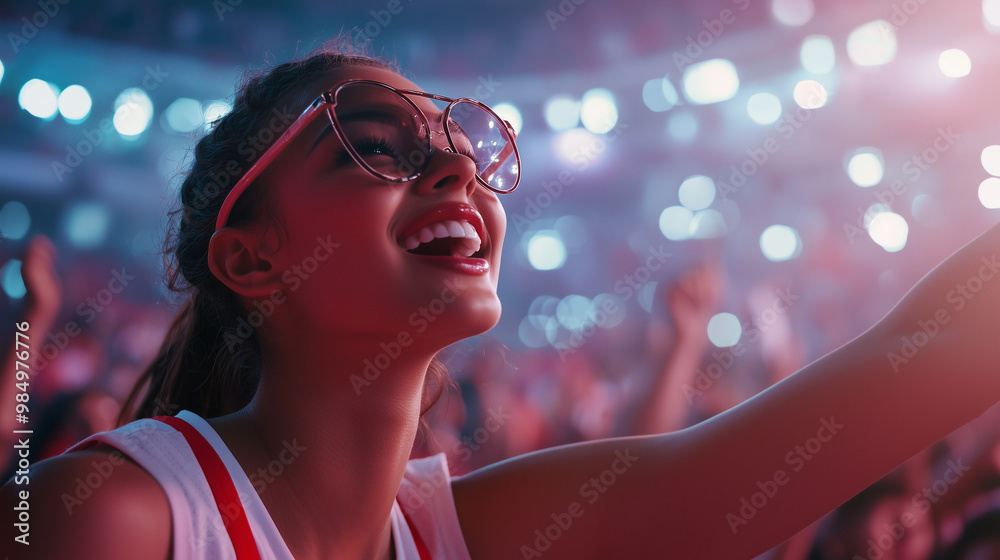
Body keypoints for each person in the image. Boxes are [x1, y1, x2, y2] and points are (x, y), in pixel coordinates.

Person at [6, 43, 1000, 560]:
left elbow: (926, 352)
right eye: (380, 146)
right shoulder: (117, 519)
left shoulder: (478, 532)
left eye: (463, 146)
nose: (454, 168)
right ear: (252, 259)